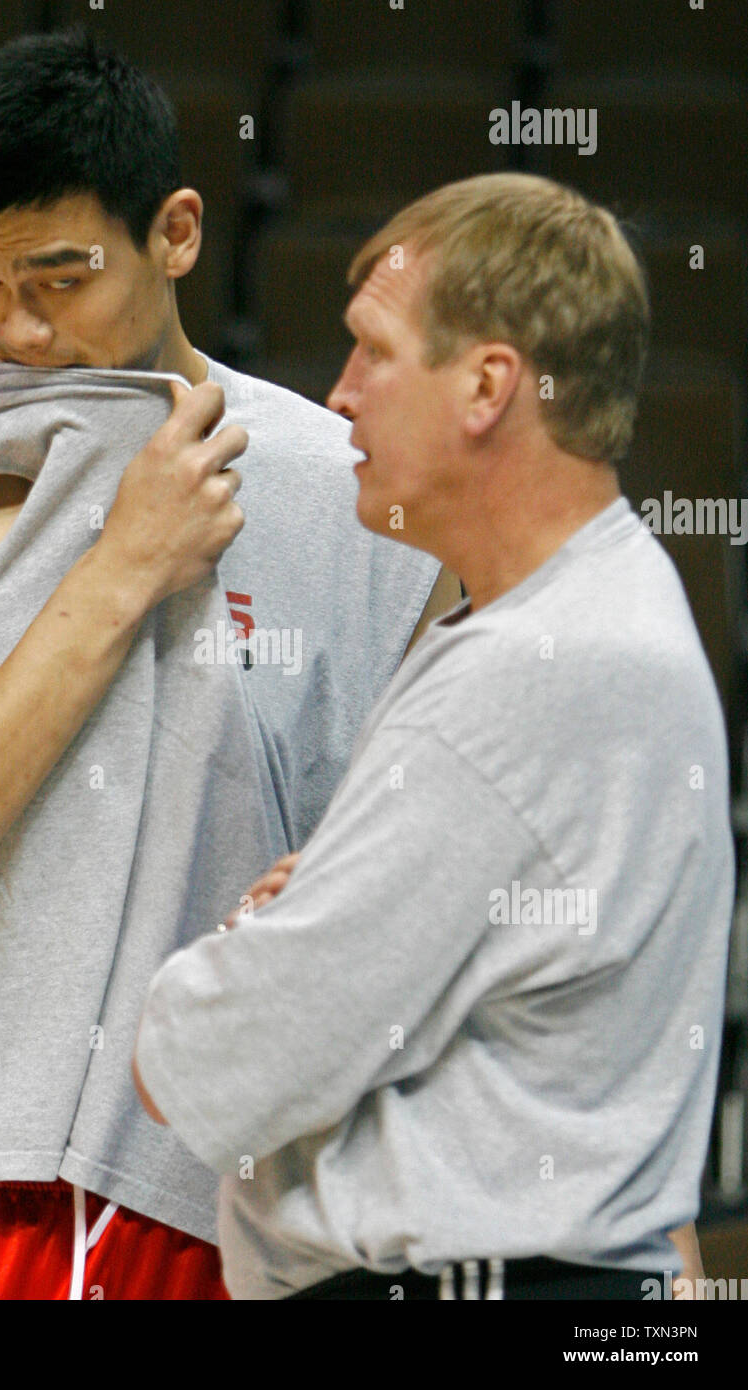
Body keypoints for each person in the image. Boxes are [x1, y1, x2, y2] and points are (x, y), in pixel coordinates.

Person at [0, 29, 450, 1299]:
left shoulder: (356, 499)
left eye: (61, 275)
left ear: (178, 232)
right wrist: (119, 569)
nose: (19, 327)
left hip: (249, 1210)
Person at [133, 172, 734, 1299]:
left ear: (486, 386)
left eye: (373, 352)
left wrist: (244, 951)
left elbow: (214, 1063)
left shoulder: (529, 670)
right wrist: (320, 916)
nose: (339, 394)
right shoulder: (596, 608)